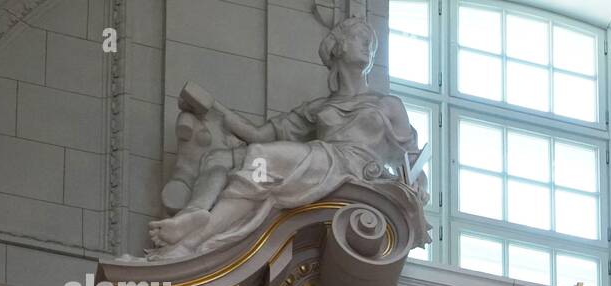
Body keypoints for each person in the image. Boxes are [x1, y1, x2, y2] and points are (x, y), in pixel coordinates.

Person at [147, 17, 426, 260]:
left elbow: (413, 160)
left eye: (372, 44)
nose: (369, 46)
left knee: (262, 158)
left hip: (351, 168)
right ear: (339, 46)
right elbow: (257, 134)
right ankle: (191, 238)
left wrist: (421, 187)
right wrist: (212, 107)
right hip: (324, 161)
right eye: (360, 38)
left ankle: (193, 233)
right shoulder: (318, 108)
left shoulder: (389, 105)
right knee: (255, 169)